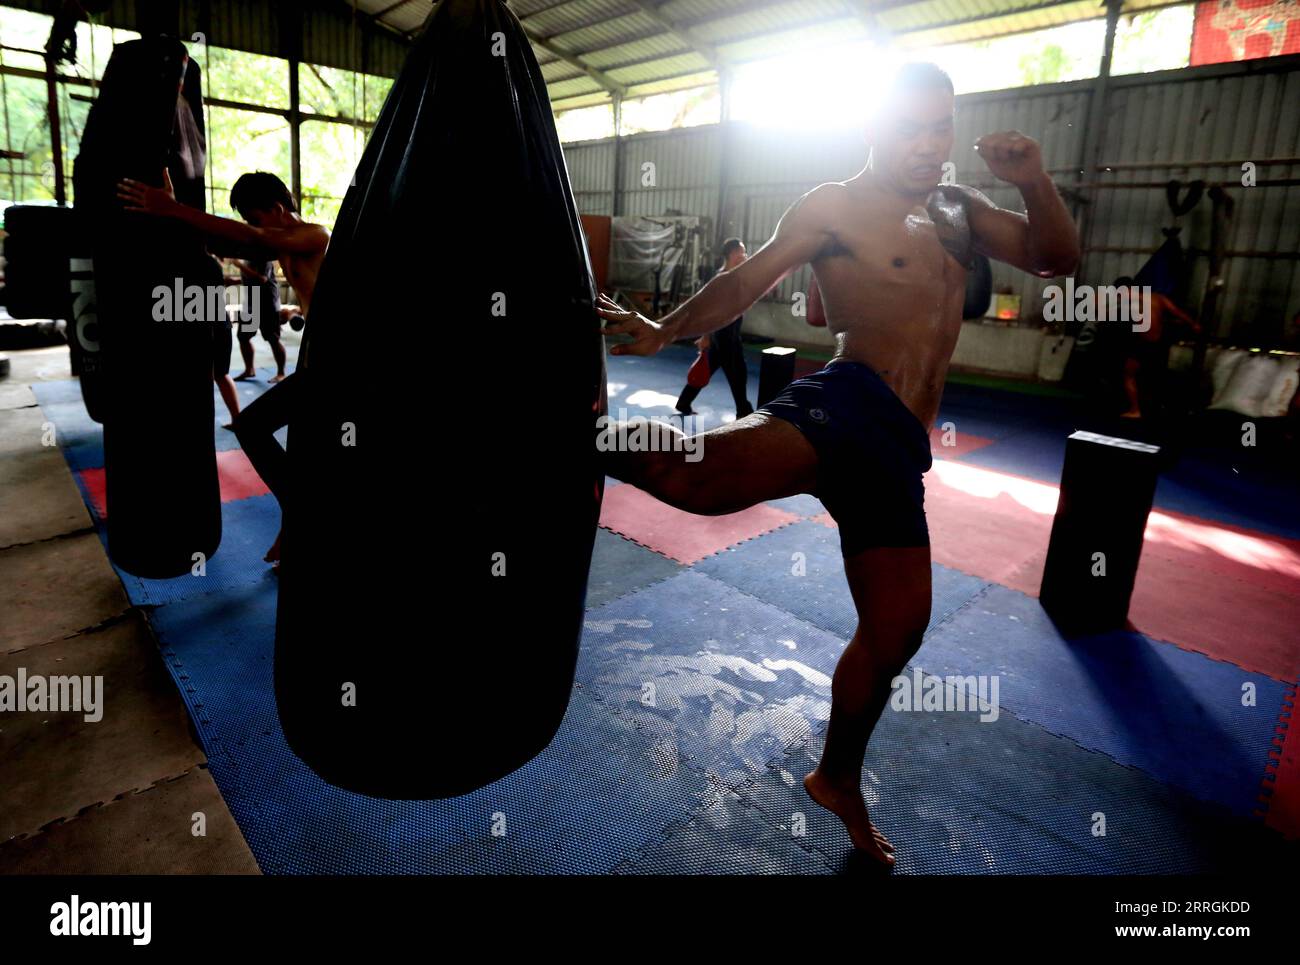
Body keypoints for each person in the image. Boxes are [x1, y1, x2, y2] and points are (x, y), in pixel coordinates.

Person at [595, 63, 1080, 867]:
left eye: (941, 128)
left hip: (897, 450)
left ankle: (837, 776)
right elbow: (746, 280)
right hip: (847, 401)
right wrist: (665, 330)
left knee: (896, 631)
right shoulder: (834, 204)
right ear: (872, 128)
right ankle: (571, 436)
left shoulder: (962, 209)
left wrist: (1034, 181)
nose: (928, 145)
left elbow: (1057, 258)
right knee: (695, 481)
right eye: (909, 128)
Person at [118, 169, 330, 566]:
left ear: (278, 208)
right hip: (315, 360)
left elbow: (256, 238)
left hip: (340, 364)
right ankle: (296, 523)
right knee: (298, 453)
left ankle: (300, 517)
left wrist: (174, 207)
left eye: (255, 216)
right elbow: (226, 238)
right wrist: (170, 210)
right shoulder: (280, 241)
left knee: (253, 427)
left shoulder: (315, 236)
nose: (252, 225)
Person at [675, 238, 754, 417]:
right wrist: (706, 335)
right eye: (743, 251)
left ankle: (683, 402)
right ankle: (744, 411)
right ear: (733, 253)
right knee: (738, 375)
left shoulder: (734, 276)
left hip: (725, 334)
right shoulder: (722, 279)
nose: (746, 255)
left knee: (708, 369)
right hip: (726, 335)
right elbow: (709, 310)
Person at [1114, 276, 1201, 419]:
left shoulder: (1133, 303)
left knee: (1128, 375)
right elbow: (1177, 313)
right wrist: (1193, 324)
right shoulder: (1158, 298)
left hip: (1143, 343)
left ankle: (1135, 410)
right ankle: (1158, 408)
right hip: (1159, 344)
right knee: (1156, 376)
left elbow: (1139, 325)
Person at [231, 258, 288, 383]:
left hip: (267, 303)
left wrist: (239, 266)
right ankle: (249, 370)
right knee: (243, 337)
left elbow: (262, 279)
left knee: (273, 338)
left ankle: (281, 373)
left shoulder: (263, 257)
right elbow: (250, 277)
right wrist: (233, 281)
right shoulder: (247, 257)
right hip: (252, 303)